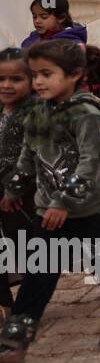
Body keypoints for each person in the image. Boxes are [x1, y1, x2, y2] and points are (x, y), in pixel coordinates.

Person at [0, 40, 100, 363]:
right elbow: (28, 153)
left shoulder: (88, 115)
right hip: (46, 211)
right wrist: (15, 187)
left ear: (75, 74)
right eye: (34, 75)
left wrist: (64, 201)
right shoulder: (38, 109)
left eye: (47, 74)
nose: (38, 82)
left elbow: (89, 165)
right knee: (40, 270)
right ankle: (15, 340)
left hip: (91, 209)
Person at [0, 49, 38, 311]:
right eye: (1, 79)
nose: (6, 85)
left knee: (40, 248)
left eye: (15, 79)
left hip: (30, 193)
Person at [21, 0, 87, 49]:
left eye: (44, 17)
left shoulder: (70, 44)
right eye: (34, 16)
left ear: (61, 18)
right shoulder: (34, 37)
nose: (37, 21)